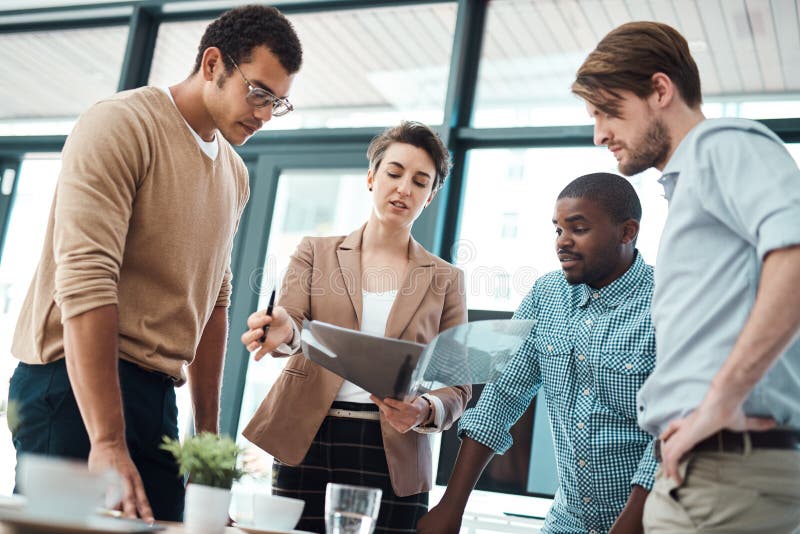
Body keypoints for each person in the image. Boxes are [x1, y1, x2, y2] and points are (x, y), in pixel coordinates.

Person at [8, 5, 302, 522]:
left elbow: (214, 301)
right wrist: (106, 439)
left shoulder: (235, 174)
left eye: (277, 103)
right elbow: (86, 281)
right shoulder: (120, 123)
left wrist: (206, 443)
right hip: (71, 386)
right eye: (258, 93)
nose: (263, 115)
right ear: (213, 64)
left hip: (156, 394)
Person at [572, 21, 800, 533]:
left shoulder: (724, 145)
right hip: (704, 471)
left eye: (609, 112)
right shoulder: (691, 182)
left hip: (725, 469)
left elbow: (797, 253)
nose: (599, 133)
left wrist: (720, 400)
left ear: (660, 90)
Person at [239, 121, 471, 534]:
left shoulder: (445, 279)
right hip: (310, 436)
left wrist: (424, 409)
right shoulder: (315, 252)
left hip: (396, 451)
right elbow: (289, 323)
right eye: (394, 173)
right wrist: (284, 332)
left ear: (431, 195)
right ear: (371, 176)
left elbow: (459, 386)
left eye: (420, 182)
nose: (404, 189)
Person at [419, 173, 657, 534]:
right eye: (558, 230)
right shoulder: (547, 294)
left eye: (578, 229)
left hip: (655, 522)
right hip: (568, 521)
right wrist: (451, 507)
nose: (562, 242)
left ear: (627, 232)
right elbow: (502, 396)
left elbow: (673, 432)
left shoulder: (667, 301)